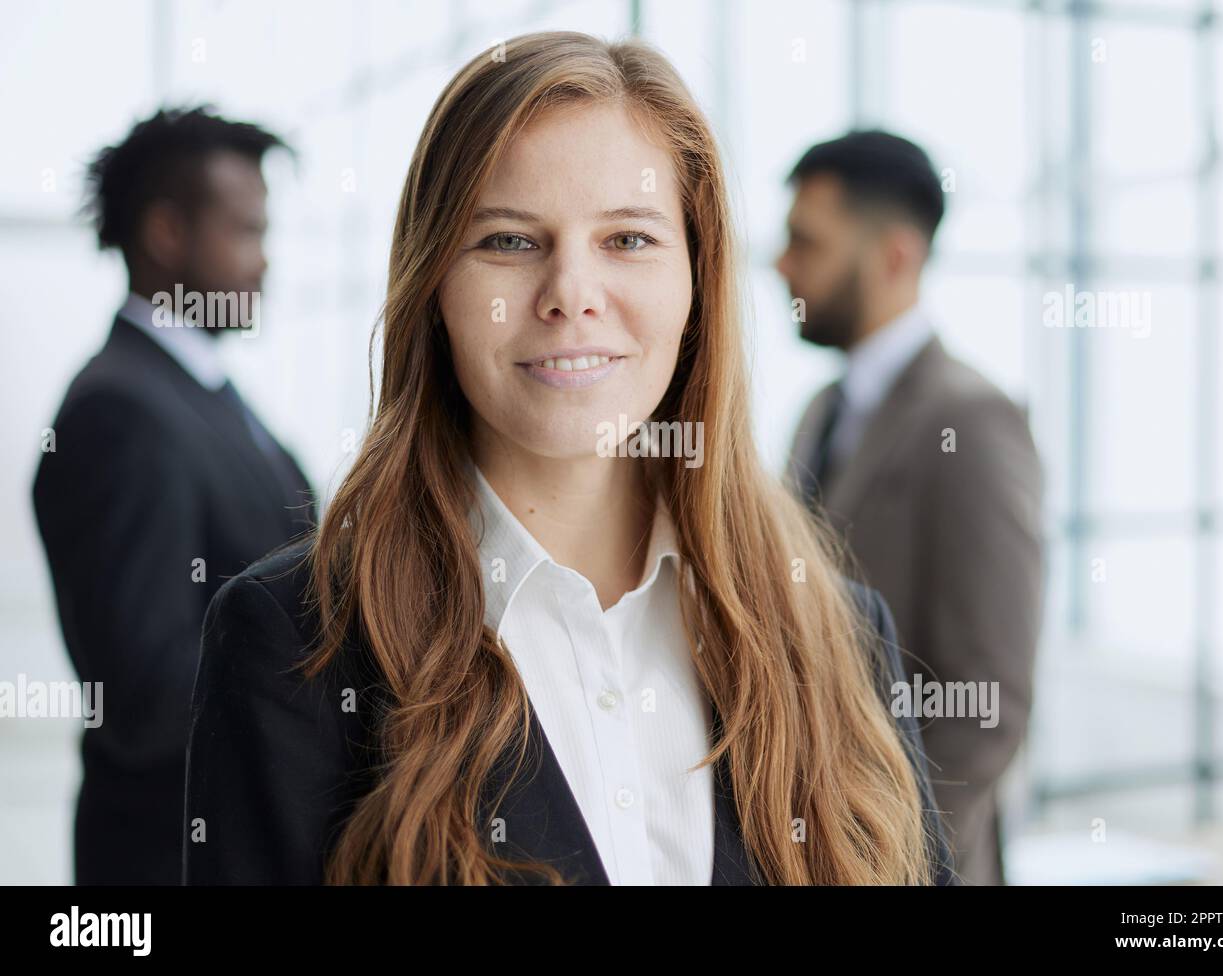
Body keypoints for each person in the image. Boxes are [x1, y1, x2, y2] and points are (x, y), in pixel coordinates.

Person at [184, 32, 955, 886]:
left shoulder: (839, 635)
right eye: (510, 242)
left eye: (628, 240)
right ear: (432, 285)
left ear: (698, 283)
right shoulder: (293, 643)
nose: (570, 296)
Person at [31, 106, 316, 884]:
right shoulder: (118, 414)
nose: (266, 263)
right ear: (165, 234)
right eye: (247, 232)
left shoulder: (204, 392)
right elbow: (150, 696)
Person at [779, 129, 1045, 885]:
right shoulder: (819, 411)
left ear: (895, 256)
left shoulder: (975, 422)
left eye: (807, 243)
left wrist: (899, 861)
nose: (782, 264)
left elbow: (989, 700)